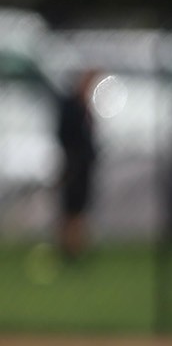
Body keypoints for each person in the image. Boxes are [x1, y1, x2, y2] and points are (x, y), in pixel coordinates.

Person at [55, 69, 99, 263]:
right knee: (72, 210)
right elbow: (65, 135)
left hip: (84, 167)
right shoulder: (71, 106)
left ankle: (76, 247)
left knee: (79, 210)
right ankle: (69, 249)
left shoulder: (84, 106)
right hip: (74, 166)